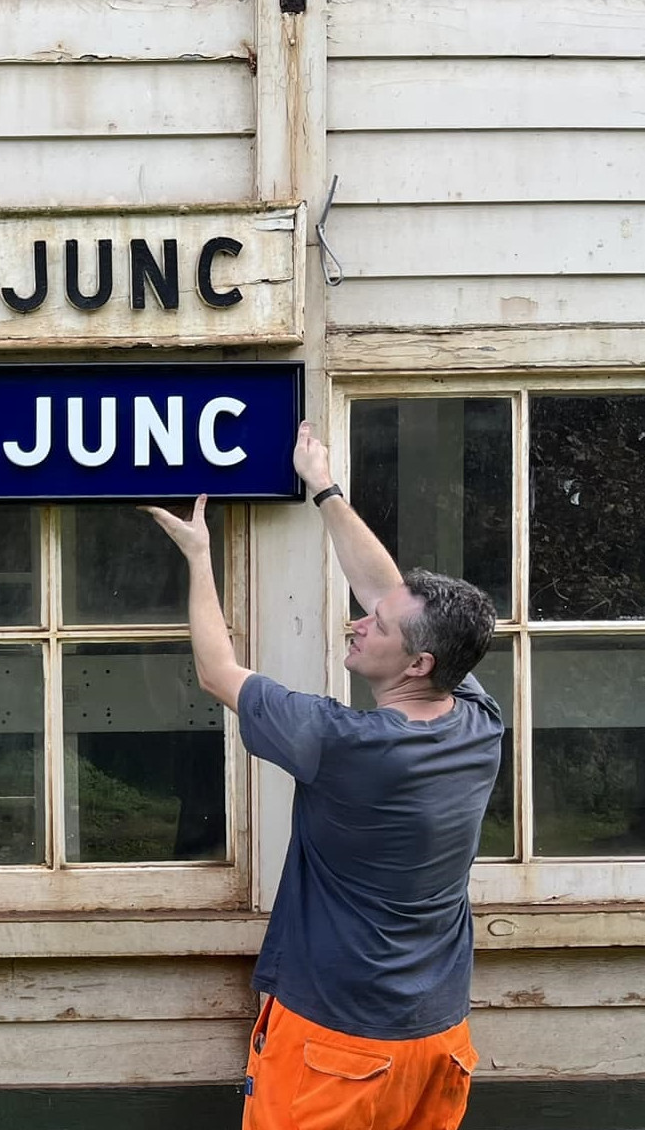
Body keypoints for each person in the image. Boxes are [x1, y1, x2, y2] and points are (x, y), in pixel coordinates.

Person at [144, 422, 502, 1130]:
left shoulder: (345, 745)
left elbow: (218, 671)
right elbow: (389, 588)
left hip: (333, 1049)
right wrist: (326, 489)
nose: (357, 625)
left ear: (419, 664)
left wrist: (199, 557)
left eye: (376, 626)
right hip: (439, 1042)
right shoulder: (478, 720)